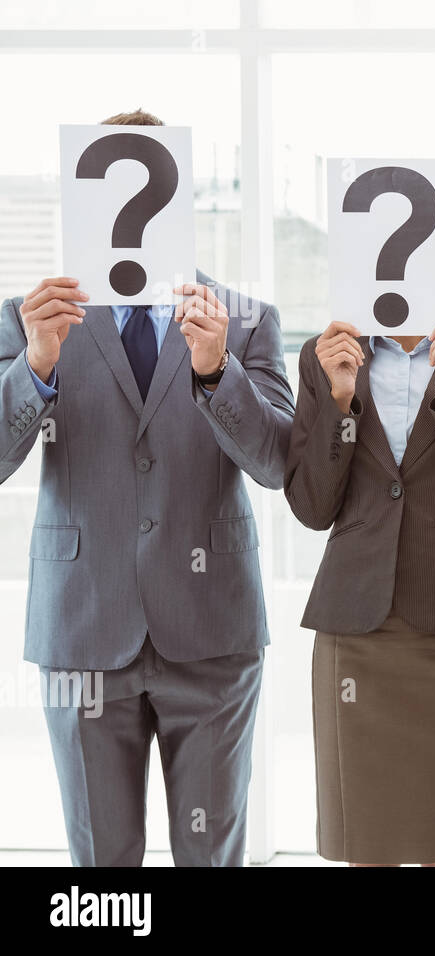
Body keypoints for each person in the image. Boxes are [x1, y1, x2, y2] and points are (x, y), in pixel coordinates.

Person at [0, 109, 294, 866]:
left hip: (212, 633)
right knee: (103, 864)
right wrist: (35, 366)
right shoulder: (32, 317)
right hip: (83, 630)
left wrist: (213, 370)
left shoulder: (245, 320)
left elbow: (277, 466)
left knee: (212, 853)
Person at [284, 313, 435, 867]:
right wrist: (341, 401)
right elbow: (313, 506)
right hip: (354, 621)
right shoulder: (327, 353)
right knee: (366, 843)